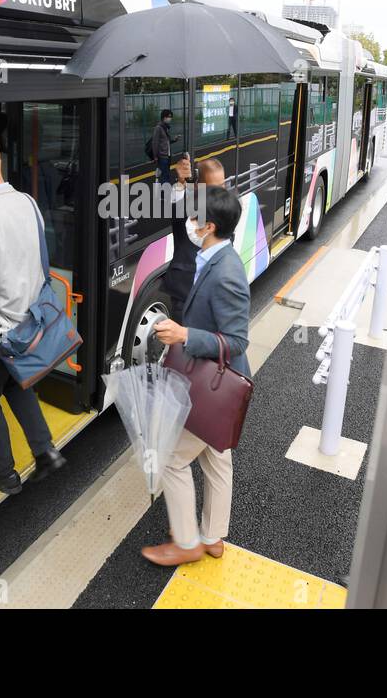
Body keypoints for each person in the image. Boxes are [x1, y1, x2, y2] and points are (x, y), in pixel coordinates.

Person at [142, 186, 250, 566]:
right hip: (217, 386)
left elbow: (237, 341)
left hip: (215, 385)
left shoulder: (227, 273)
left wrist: (185, 334)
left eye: (192, 219)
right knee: (217, 457)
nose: (187, 224)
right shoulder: (214, 258)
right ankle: (213, 536)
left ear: (208, 226)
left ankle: (187, 543)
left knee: (171, 458)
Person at [0, 135, 66, 494]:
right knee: (18, 383)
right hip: (30, 322)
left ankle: (2, 473)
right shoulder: (27, 202)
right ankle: (45, 450)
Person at [164, 155, 226, 320]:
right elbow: (174, 212)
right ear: (199, 187)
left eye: (223, 185)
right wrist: (181, 183)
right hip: (186, 296)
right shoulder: (189, 206)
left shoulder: (225, 208)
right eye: (214, 187)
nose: (220, 192)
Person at [153, 109, 176, 184]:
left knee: (167, 174)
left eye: (171, 117)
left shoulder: (166, 127)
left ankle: (166, 191)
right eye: (169, 117)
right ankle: (165, 193)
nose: (170, 119)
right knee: (164, 175)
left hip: (168, 156)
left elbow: (166, 141)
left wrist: (174, 140)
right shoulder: (158, 128)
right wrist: (155, 156)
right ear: (164, 117)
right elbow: (155, 143)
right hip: (162, 156)